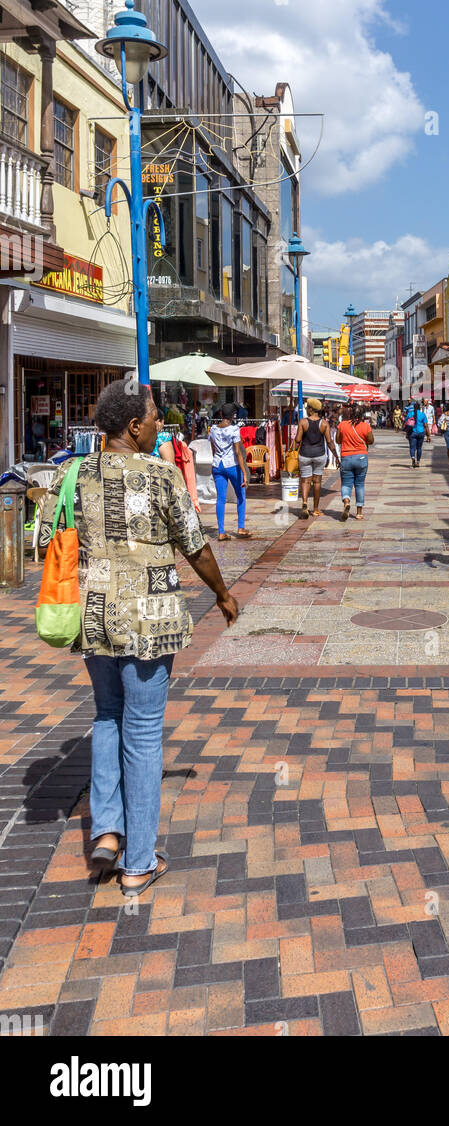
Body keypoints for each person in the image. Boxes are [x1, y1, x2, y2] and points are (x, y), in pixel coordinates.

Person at [38, 380, 238, 895]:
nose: (159, 426)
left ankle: (106, 830)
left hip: (94, 615)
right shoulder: (160, 475)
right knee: (144, 731)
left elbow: (44, 539)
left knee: (107, 714)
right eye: (154, 418)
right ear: (133, 426)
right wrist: (222, 594)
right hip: (149, 620)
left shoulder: (71, 473)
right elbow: (195, 545)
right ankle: (139, 862)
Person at [209, 403, 251, 541]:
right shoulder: (234, 430)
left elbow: (213, 449)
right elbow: (238, 452)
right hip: (232, 465)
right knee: (240, 496)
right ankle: (241, 527)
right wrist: (244, 473)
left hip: (217, 465)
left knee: (221, 499)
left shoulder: (213, 429)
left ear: (221, 414)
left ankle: (221, 531)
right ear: (233, 416)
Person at [292, 397, 338, 520]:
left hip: (305, 455)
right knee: (317, 481)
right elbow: (330, 442)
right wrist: (336, 457)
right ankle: (316, 509)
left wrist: (292, 451)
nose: (306, 409)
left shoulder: (303, 422)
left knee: (305, 481)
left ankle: (305, 503)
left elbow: (297, 440)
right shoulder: (324, 423)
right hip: (319, 455)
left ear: (311, 410)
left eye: (307, 408)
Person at [336, 404, 374, 520]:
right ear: (362, 415)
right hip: (361, 458)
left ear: (351, 414)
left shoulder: (342, 425)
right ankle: (359, 513)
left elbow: (338, 440)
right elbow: (371, 441)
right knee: (359, 485)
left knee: (346, 484)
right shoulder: (366, 426)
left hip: (346, 458)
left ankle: (346, 502)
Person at [405, 398, 431, 467]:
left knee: (412, 447)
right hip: (421, 433)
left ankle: (413, 458)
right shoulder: (422, 415)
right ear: (419, 407)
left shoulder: (410, 414)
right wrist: (428, 436)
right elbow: (426, 426)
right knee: (419, 448)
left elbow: (406, 423)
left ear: (413, 407)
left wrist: (406, 433)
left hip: (412, 433)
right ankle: (418, 462)